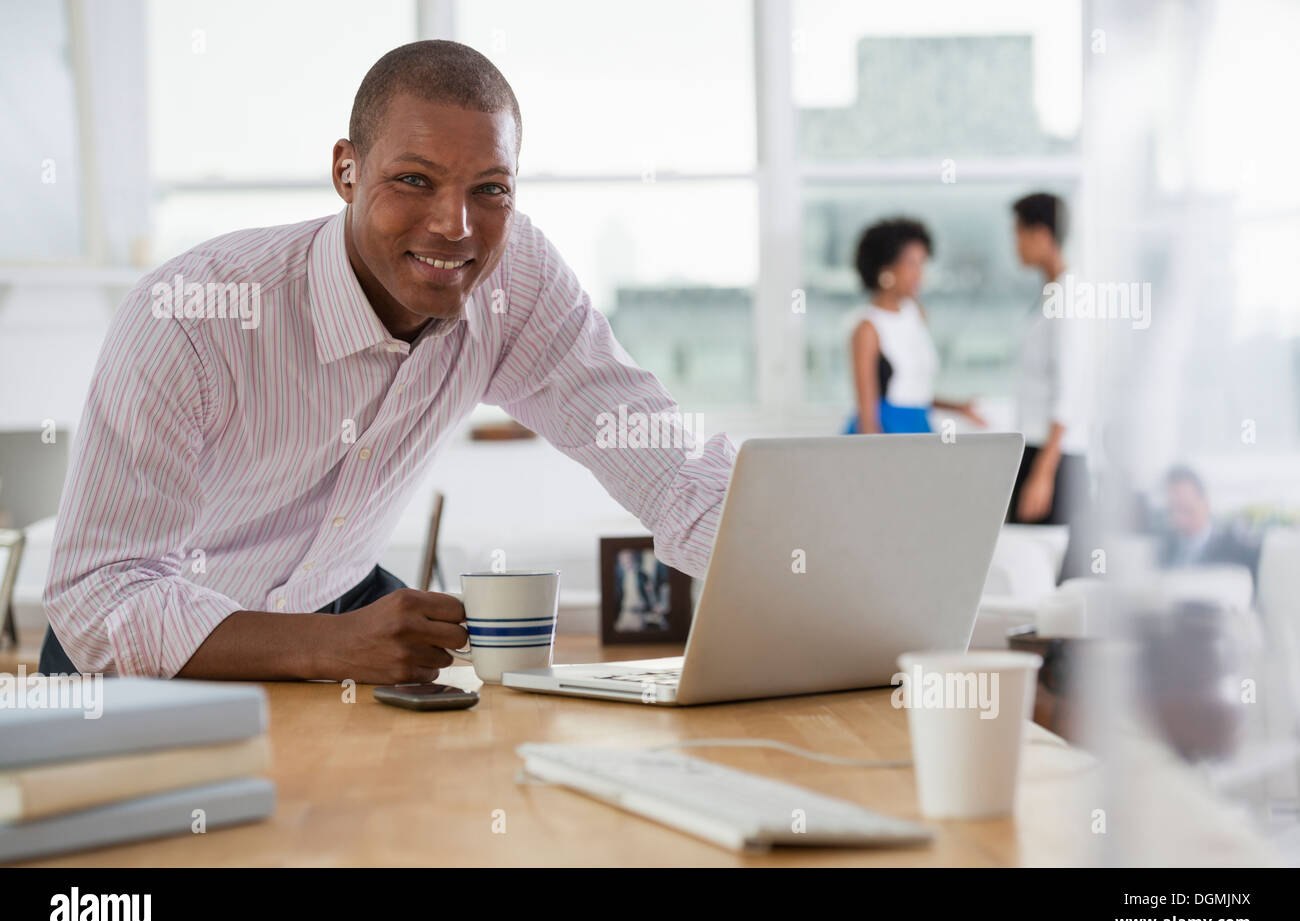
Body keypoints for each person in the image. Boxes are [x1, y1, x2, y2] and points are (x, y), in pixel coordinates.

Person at [40, 40, 735, 682]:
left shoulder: (514, 279)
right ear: (346, 170)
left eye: (491, 189)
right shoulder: (191, 315)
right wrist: (329, 645)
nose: (454, 225)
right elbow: (99, 593)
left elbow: (666, 464)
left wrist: (805, 574)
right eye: (414, 179)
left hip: (333, 612)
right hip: (140, 666)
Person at [1007, 192, 1094, 582]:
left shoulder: (1070, 296)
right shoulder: (1052, 292)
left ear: (1042, 234)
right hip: (1039, 450)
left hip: (1053, 456)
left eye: (1019, 233)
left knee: (1038, 571)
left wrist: (1043, 473)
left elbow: (1070, 389)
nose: (1016, 245)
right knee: (1027, 566)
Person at [842, 218, 983, 434]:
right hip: (886, 434)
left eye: (922, 264)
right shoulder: (867, 328)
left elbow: (914, 392)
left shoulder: (916, 314)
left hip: (919, 427)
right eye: (911, 264)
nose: (920, 274)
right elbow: (867, 415)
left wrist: (958, 407)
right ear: (885, 269)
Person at [1157, 466, 1261, 581]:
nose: (1179, 519)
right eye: (1173, 510)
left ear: (1205, 503)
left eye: (1186, 509)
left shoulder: (1235, 546)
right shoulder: (1165, 547)